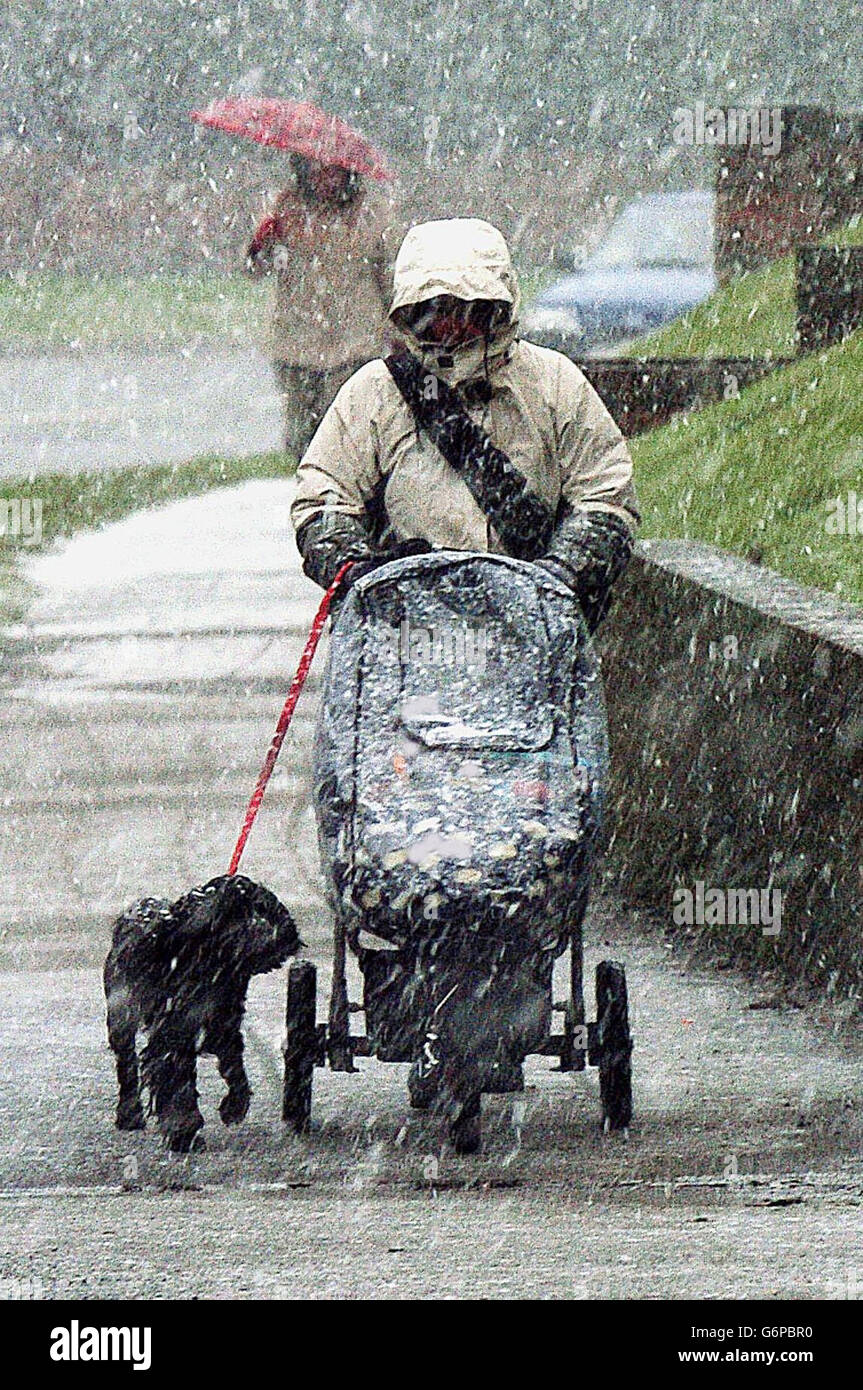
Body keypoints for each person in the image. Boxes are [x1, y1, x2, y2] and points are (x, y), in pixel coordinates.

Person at [291, 216, 639, 630]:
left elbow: (605, 496)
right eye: (435, 311)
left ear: (496, 308)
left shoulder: (554, 384)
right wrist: (360, 573)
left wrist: (559, 575)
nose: (451, 325)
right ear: (411, 313)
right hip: (403, 633)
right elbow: (324, 498)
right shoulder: (376, 392)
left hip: (530, 631)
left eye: (466, 309)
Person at [245, 152, 392, 457]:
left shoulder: (371, 213)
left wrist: (399, 329)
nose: (326, 180)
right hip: (297, 343)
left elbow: (388, 274)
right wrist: (262, 243)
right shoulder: (283, 208)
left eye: (334, 171)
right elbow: (255, 270)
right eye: (317, 170)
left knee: (351, 437)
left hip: (355, 343)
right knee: (302, 441)